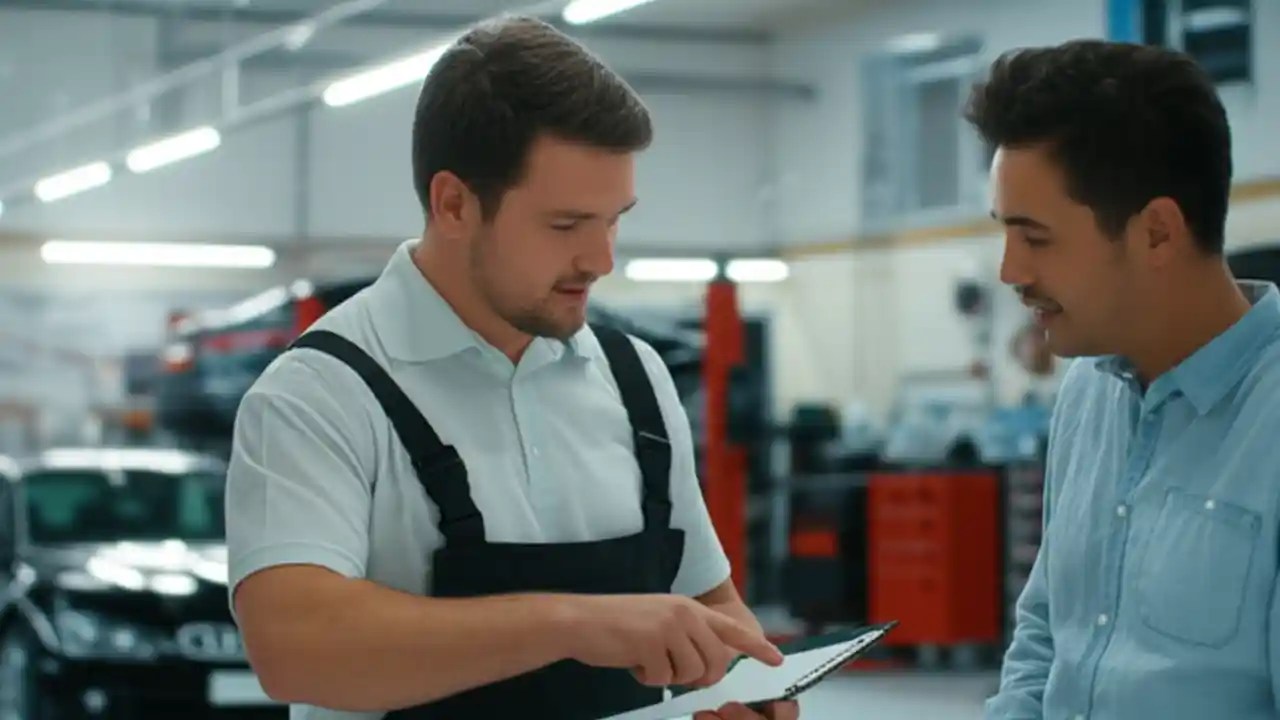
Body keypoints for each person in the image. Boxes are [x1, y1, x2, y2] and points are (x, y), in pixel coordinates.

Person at [225, 15, 799, 720]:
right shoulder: (319, 395)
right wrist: (577, 625)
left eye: (614, 219)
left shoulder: (636, 380)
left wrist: (746, 684)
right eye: (565, 225)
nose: (602, 259)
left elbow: (708, 600)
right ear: (454, 203)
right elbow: (295, 648)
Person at [968, 39, 1280, 719]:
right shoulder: (1088, 392)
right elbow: (1047, 641)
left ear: (1158, 233)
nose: (1010, 272)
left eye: (1037, 238)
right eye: (1005, 234)